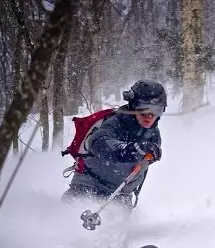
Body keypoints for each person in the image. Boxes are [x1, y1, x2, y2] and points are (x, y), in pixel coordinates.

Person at [62, 79, 167, 210]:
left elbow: (143, 161)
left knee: (117, 228)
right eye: (144, 110)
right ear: (133, 107)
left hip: (121, 193)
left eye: (157, 110)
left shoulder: (153, 134)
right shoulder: (115, 122)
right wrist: (131, 150)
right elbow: (100, 143)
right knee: (72, 220)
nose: (150, 116)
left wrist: (152, 155)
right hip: (89, 184)